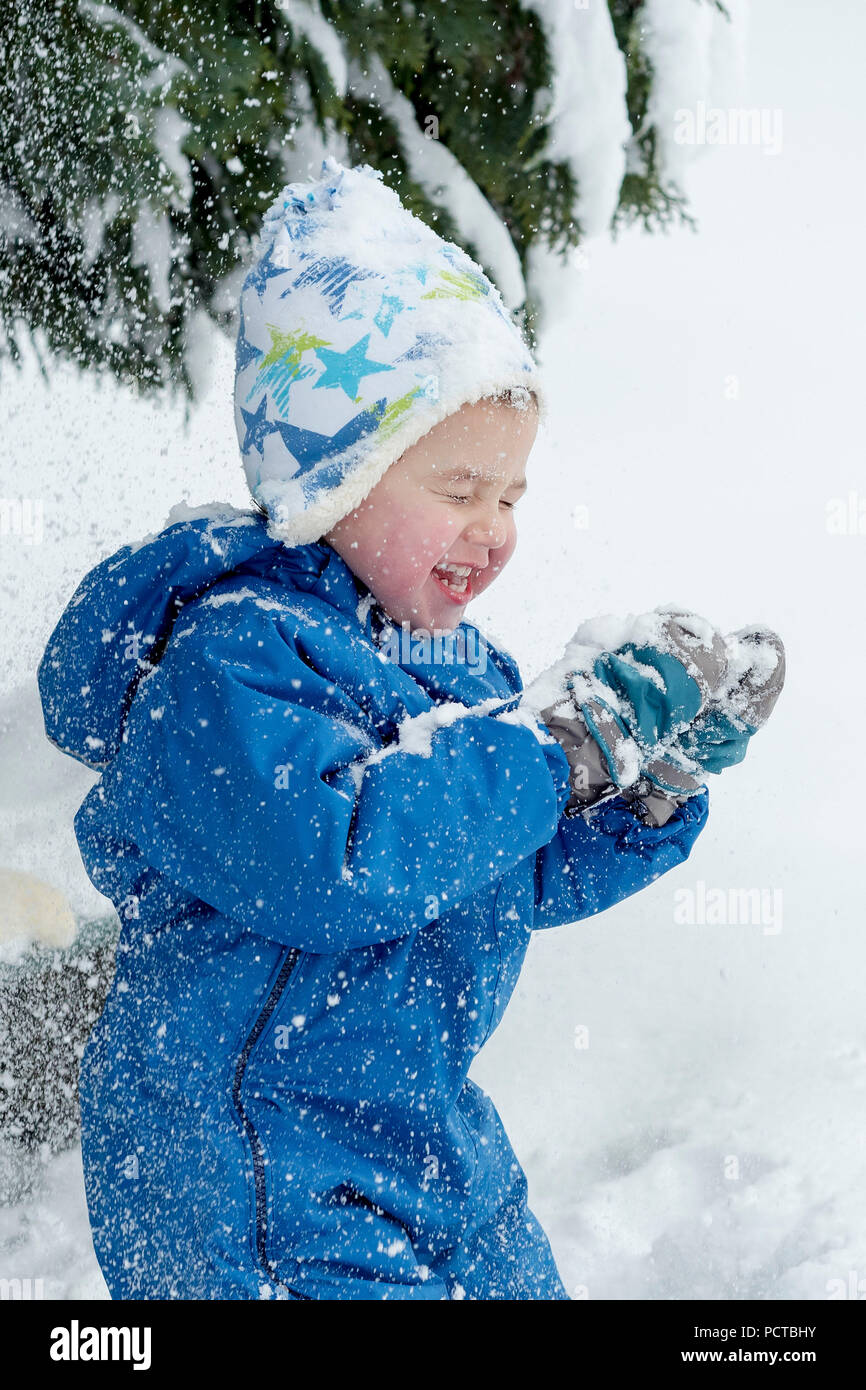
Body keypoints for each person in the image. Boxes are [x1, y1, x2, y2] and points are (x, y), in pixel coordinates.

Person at [38, 158, 785, 1300]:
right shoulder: (229, 667)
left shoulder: (451, 669)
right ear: (331, 480)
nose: (493, 529)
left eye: (512, 496)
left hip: (424, 1142)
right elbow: (339, 862)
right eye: (458, 488)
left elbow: (496, 868)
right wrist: (557, 748)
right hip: (259, 1178)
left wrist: (640, 785)